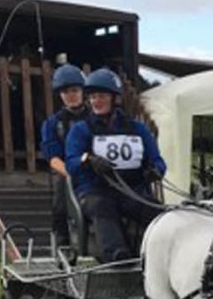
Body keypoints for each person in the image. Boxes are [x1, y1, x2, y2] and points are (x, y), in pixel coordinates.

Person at [65, 68, 167, 262]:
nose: (96, 101)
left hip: (131, 189)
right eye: (93, 97)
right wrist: (88, 160)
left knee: (157, 213)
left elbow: (157, 161)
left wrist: (155, 171)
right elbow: (71, 162)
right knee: (103, 206)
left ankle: (162, 256)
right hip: (96, 190)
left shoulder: (138, 129)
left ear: (114, 98)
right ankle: (117, 256)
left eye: (101, 96)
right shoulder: (81, 130)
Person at [38, 64, 88, 246]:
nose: (71, 95)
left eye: (75, 90)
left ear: (83, 91)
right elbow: (53, 158)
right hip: (67, 170)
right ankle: (62, 238)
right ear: (60, 95)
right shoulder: (52, 123)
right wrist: (71, 171)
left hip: (96, 166)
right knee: (60, 188)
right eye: (66, 92)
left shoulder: (95, 118)